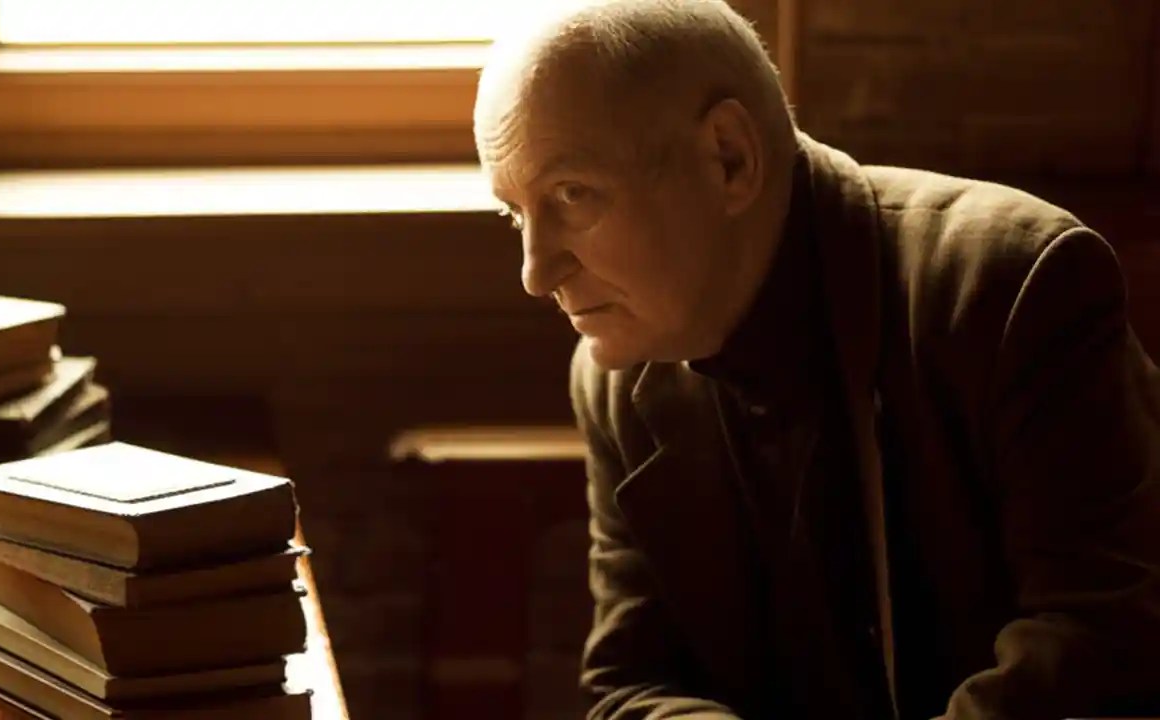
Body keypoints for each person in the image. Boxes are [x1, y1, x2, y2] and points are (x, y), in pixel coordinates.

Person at [472, 1, 1160, 718]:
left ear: (729, 157)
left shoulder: (1012, 284)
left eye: (572, 194)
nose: (535, 271)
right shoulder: (616, 376)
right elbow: (633, 686)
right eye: (515, 213)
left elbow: (1101, 642)